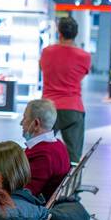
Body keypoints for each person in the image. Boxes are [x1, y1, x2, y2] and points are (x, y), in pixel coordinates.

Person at [40, 15, 91, 162]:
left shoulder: (47, 52)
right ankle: (71, 185)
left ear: (59, 32)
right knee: (73, 156)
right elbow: (81, 75)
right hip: (73, 108)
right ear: (76, 33)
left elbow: (42, 68)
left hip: (47, 108)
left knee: (42, 152)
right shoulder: (84, 56)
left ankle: (44, 183)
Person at [21, 99, 71, 199]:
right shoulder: (58, 145)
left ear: (36, 123)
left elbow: (27, 193)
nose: (21, 123)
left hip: (35, 206)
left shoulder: (43, 155)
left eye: (25, 118)